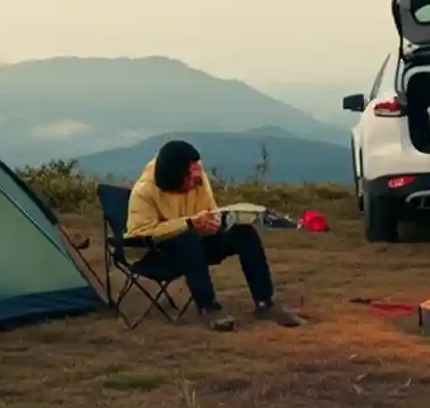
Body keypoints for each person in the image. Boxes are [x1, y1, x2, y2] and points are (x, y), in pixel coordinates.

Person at [124, 139, 303, 331]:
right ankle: (208, 306)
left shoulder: (198, 177)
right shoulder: (144, 191)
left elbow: (210, 209)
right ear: (177, 176)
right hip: (160, 254)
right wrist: (188, 223)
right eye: (191, 179)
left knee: (244, 233)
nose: (197, 182)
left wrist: (214, 222)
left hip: (198, 245)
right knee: (187, 238)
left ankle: (264, 302)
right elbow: (140, 233)